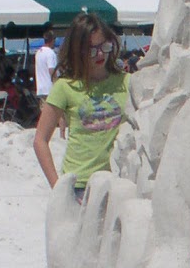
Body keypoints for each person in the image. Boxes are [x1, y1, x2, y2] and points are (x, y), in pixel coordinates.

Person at [33, 13, 128, 189]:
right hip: (79, 184)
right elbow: (40, 140)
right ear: (78, 51)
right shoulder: (65, 86)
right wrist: (57, 187)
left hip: (118, 181)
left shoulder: (126, 82)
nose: (100, 54)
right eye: (92, 50)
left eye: (104, 46)